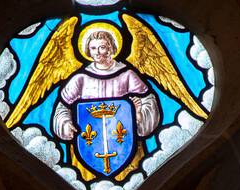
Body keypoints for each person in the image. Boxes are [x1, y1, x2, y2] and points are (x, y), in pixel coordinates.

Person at [53, 25, 161, 180]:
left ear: (112, 48)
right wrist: (65, 123)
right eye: (93, 48)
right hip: (88, 146)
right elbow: (63, 106)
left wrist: (139, 116)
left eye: (102, 47)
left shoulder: (127, 75)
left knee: (131, 177)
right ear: (88, 51)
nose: (97, 52)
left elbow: (148, 99)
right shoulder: (80, 78)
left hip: (124, 143)